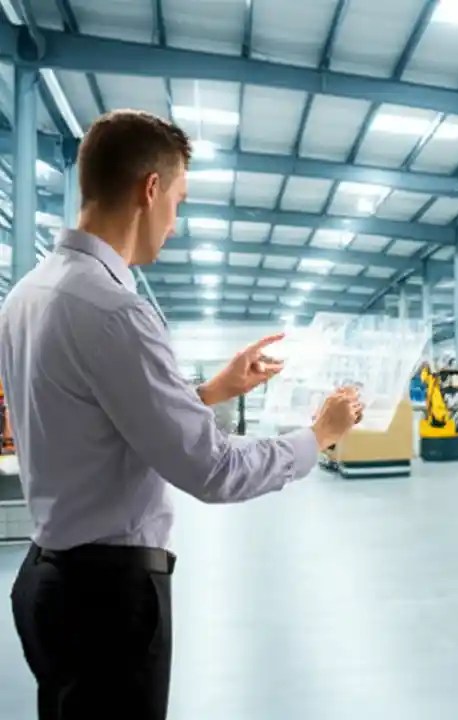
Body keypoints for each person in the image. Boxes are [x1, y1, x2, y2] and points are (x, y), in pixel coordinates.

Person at [0, 109, 363, 720]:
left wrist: (213, 390)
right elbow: (213, 469)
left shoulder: (28, 295)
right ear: (149, 189)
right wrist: (318, 436)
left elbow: (100, 423)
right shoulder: (115, 311)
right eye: (179, 199)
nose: (175, 221)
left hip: (49, 580)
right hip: (109, 600)